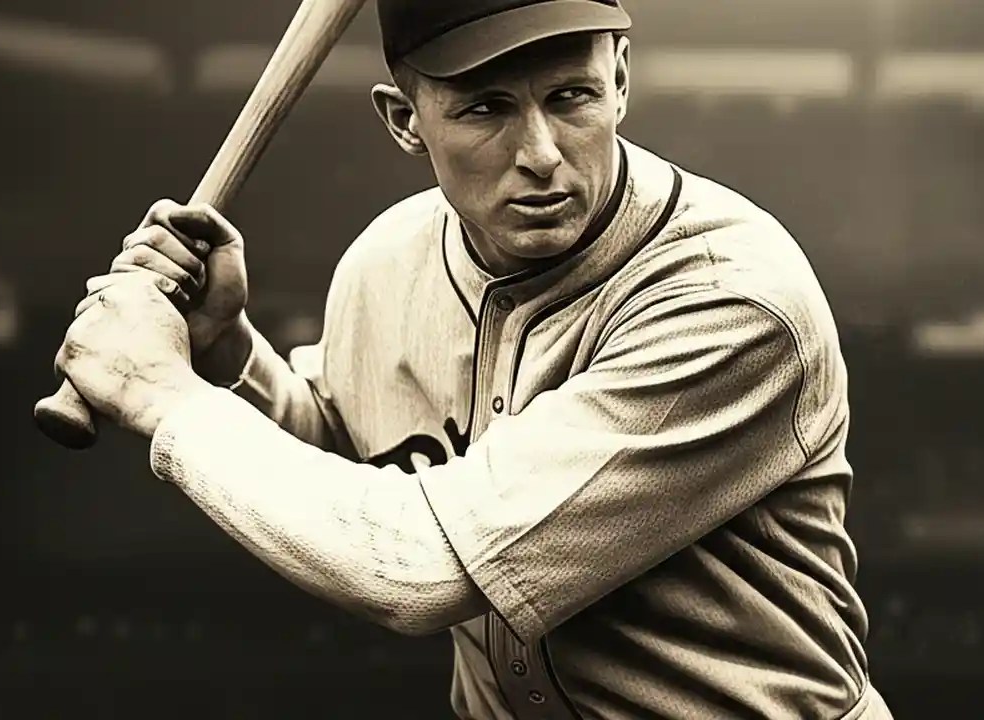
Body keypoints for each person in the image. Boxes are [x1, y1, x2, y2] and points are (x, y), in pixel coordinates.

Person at [54, 1, 894, 717]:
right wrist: (228, 353)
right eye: (485, 109)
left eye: (571, 97)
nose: (541, 153)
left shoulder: (731, 301)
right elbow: (354, 461)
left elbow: (419, 567)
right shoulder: (386, 263)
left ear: (624, 77)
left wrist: (164, 396)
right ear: (403, 119)